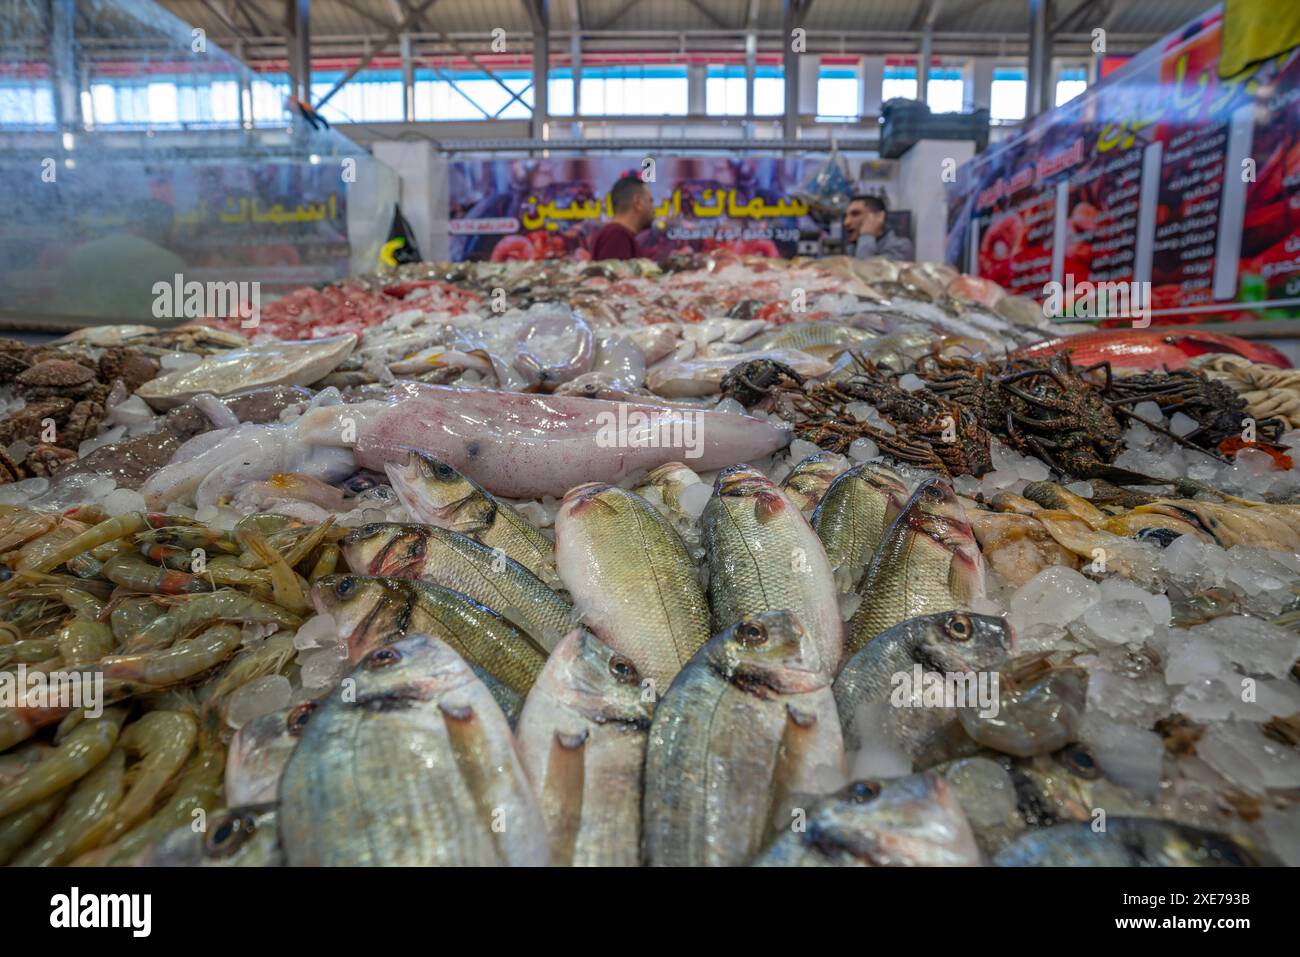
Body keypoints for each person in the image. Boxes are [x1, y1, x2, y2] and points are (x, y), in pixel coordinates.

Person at [590, 175, 654, 261]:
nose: (653, 209)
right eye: (650, 201)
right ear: (638, 202)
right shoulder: (616, 235)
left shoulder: (620, 235)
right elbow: (617, 274)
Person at [843, 194, 914, 261]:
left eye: (855, 214)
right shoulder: (853, 247)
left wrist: (867, 235)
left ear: (878, 217)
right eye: (845, 216)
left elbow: (865, 270)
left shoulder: (901, 247)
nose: (846, 222)